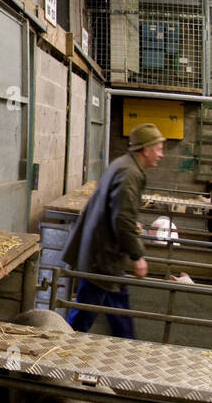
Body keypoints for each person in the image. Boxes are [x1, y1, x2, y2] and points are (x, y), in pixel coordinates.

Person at [62, 122, 165, 338]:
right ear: (145, 150)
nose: (161, 154)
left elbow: (117, 210)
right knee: (87, 312)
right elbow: (122, 217)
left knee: (114, 307)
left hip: (102, 253)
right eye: (158, 149)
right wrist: (138, 256)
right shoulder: (130, 174)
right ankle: (59, 346)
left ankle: (127, 350)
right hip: (103, 257)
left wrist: (129, 223)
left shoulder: (124, 165)